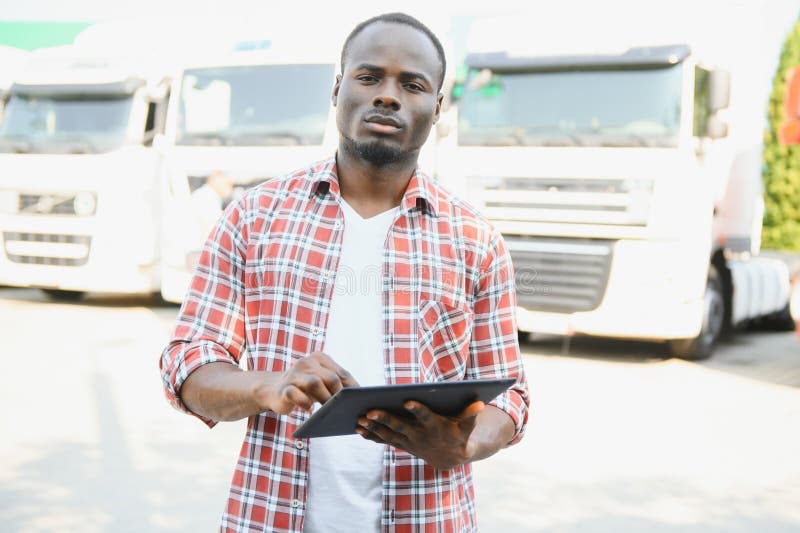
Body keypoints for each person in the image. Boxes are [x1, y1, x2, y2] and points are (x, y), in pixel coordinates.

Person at [160, 12, 529, 532]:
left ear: (437, 108)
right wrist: (268, 386)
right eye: (369, 76)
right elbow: (187, 367)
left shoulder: (476, 241)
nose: (387, 95)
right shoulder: (252, 218)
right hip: (270, 516)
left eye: (413, 84)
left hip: (428, 517)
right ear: (337, 88)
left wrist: (463, 444)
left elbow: (511, 396)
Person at [189, 169, 234, 244]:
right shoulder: (207, 198)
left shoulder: (203, 195)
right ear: (219, 183)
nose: (230, 189)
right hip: (196, 248)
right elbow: (212, 230)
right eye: (228, 185)